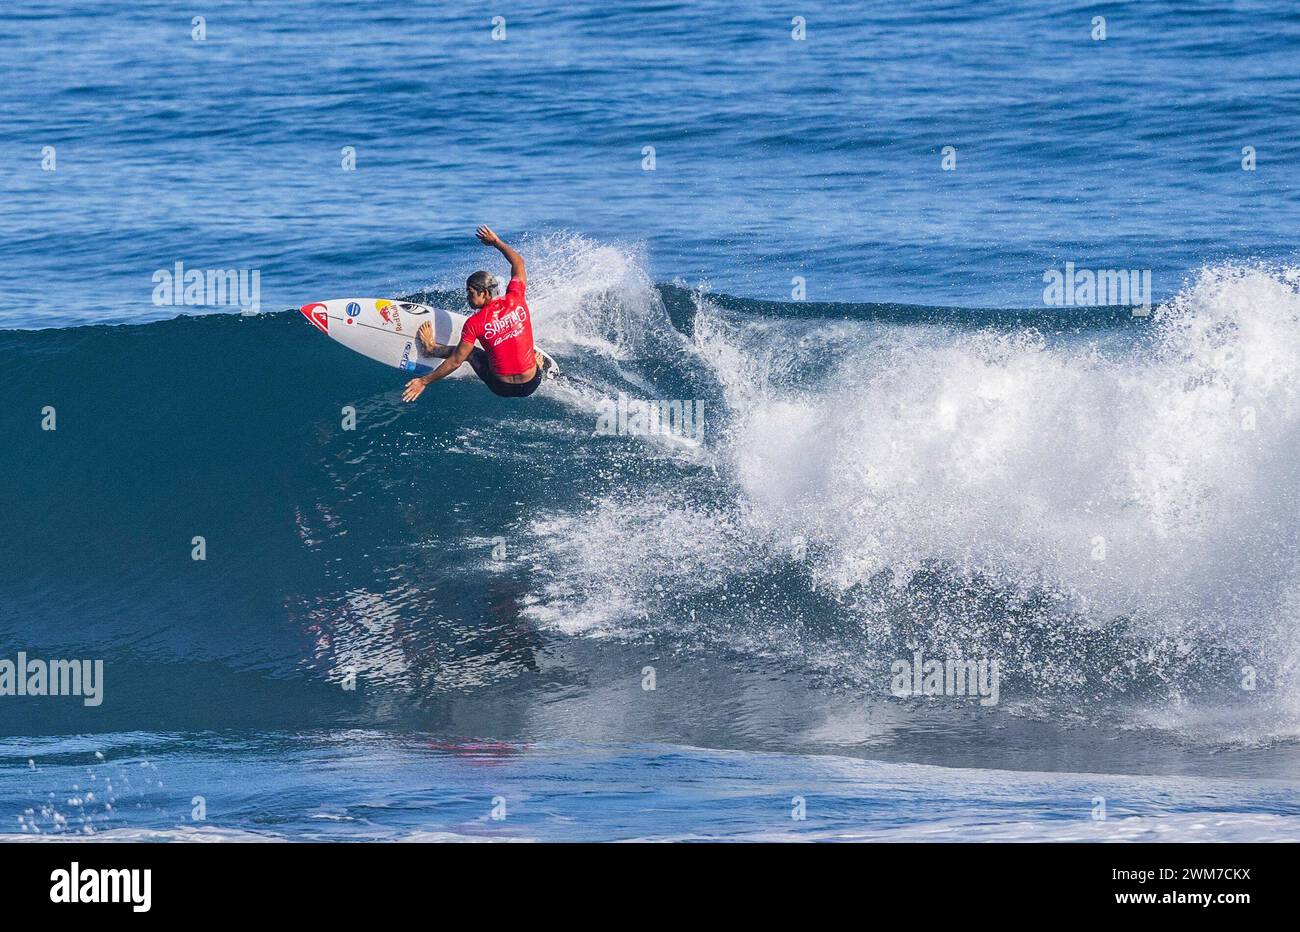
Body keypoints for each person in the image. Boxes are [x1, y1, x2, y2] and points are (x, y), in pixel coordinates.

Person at [402, 226, 549, 402]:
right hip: (532, 383)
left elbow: (456, 361)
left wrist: (424, 382)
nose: (468, 298)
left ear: (485, 293)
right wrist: (496, 242)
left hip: (500, 387)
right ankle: (538, 365)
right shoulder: (516, 298)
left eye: (471, 293)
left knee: (471, 353)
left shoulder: (475, 323)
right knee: (529, 354)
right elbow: (518, 262)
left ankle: (431, 349)